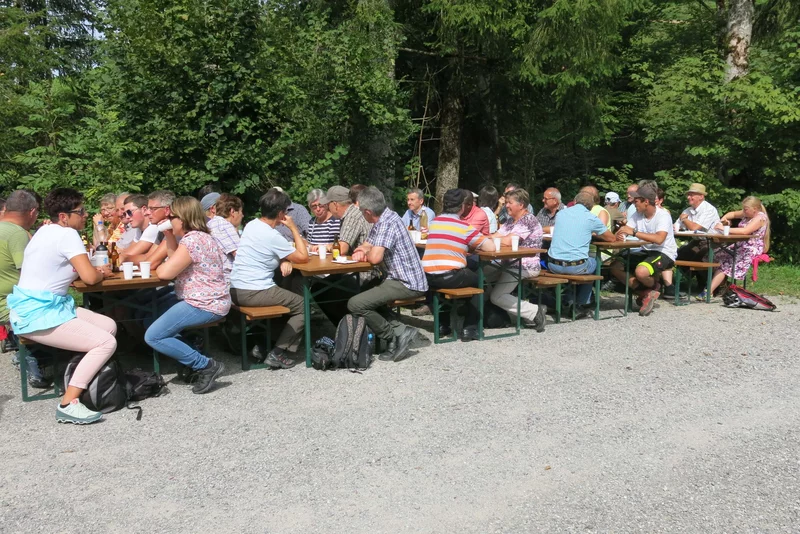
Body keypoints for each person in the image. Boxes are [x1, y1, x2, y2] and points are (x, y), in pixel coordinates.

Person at [8, 188, 117, 425]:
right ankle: (69, 402)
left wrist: (92, 270)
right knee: (106, 341)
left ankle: (82, 376)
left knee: (108, 325)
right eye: (81, 211)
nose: (86, 215)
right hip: (38, 314)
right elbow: (89, 278)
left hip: (39, 307)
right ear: (64, 217)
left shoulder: (44, 230)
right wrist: (102, 273)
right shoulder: (67, 235)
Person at [144, 197, 228, 393]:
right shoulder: (200, 237)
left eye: (172, 217)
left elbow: (165, 272)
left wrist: (162, 265)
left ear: (181, 219)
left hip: (204, 303)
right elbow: (175, 261)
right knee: (150, 317)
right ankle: (190, 356)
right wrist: (169, 235)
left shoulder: (192, 241)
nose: (169, 220)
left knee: (153, 335)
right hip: (209, 299)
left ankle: (205, 365)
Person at [230, 189, 309, 368]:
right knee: (302, 305)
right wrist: (293, 227)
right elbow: (303, 257)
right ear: (281, 214)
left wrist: (283, 258)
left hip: (235, 288)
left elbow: (264, 250)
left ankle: (266, 344)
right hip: (253, 291)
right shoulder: (272, 235)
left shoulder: (251, 225)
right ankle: (278, 353)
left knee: (286, 297)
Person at [348, 187, 425, 362]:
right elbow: (368, 244)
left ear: (368, 212)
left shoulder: (386, 223)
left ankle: (392, 335)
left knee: (356, 304)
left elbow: (375, 257)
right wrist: (361, 249)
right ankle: (400, 333)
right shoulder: (386, 216)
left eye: (361, 212)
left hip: (407, 283)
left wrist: (365, 253)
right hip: (397, 278)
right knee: (363, 291)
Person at [421, 189, 495, 341]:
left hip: (427, 276)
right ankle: (470, 328)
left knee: (444, 285)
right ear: (462, 206)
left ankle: (442, 324)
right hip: (450, 276)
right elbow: (491, 248)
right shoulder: (463, 227)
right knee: (480, 281)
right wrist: (472, 245)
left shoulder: (434, 223)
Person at [611, 184, 678, 317]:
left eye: (636, 201)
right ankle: (646, 293)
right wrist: (620, 234)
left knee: (641, 271)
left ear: (646, 202)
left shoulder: (663, 215)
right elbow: (625, 230)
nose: (634, 204)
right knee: (615, 267)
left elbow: (659, 239)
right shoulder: (637, 214)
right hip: (646, 251)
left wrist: (634, 232)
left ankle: (654, 287)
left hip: (664, 252)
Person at [485, 188, 547, 330]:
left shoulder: (528, 220)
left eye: (509, 203)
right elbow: (496, 236)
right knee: (479, 276)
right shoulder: (511, 221)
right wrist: (480, 239)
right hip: (507, 264)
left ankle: (535, 311)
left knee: (497, 296)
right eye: (506, 202)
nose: (506, 205)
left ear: (521, 205)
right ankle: (491, 314)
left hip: (525, 265)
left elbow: (507, 241)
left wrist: (488, 241)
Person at [0, 191, 45, 383]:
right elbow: (29, 274)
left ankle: (29, 354)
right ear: (32, 211)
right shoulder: (17, 234)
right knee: (64, 309)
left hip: (5, 298)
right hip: (11, 304)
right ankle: (32, 358)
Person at [547, 191, 616, 317]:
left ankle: (568, 299)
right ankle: (582, 303)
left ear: (574, 201)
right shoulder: (590, 218)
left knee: (576, 264)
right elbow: (611, 238)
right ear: (591, 207)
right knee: (594, 262)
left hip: (553, 265)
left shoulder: (561, 214)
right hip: (576, 266)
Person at [706, 196, 770, 298]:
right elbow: (733, 214)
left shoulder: (760, 218)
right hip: (739, 245)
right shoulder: (747, 213)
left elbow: (745, 231)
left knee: (725, 264)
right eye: (743, 209)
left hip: (750, 248)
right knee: (713, 255)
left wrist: (724, 228)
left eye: (746, 209)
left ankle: (708, 291)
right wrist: (723, 220)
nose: (744, 211)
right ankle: (722, 286)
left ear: (755, 209)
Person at [667, 183, 721, 297]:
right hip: (697, 241)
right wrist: (675, 226)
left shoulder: (708, 209)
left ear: (701, 196)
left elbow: (695, 227)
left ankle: (711, 285)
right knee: (676, 254)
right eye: (688, 195)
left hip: (713, 242)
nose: (688, 197)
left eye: (692, 195)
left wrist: (685, 220)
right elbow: (676, 225)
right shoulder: (688, 210)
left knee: (700, 256)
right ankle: (673, 284)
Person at [120, 190, 175, 267]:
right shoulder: (162, 229)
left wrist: (121, 259)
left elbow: (151, 263)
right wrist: (122, 259)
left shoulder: (171, 229)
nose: (147, 213)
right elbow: (147, 256)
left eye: (152, 209)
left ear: (167, 210)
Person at [326, 185, 371, 256]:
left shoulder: (352, 216)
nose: (327, 208)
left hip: (364, 266)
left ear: (335, 204)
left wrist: (327, 248)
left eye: (328, 204)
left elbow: (341, 250)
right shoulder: (357, 211)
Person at [204, 193, 239, 281]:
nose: (242, 215)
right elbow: (240, 255)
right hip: (228, 278)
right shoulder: (221, 225)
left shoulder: (209, 225)